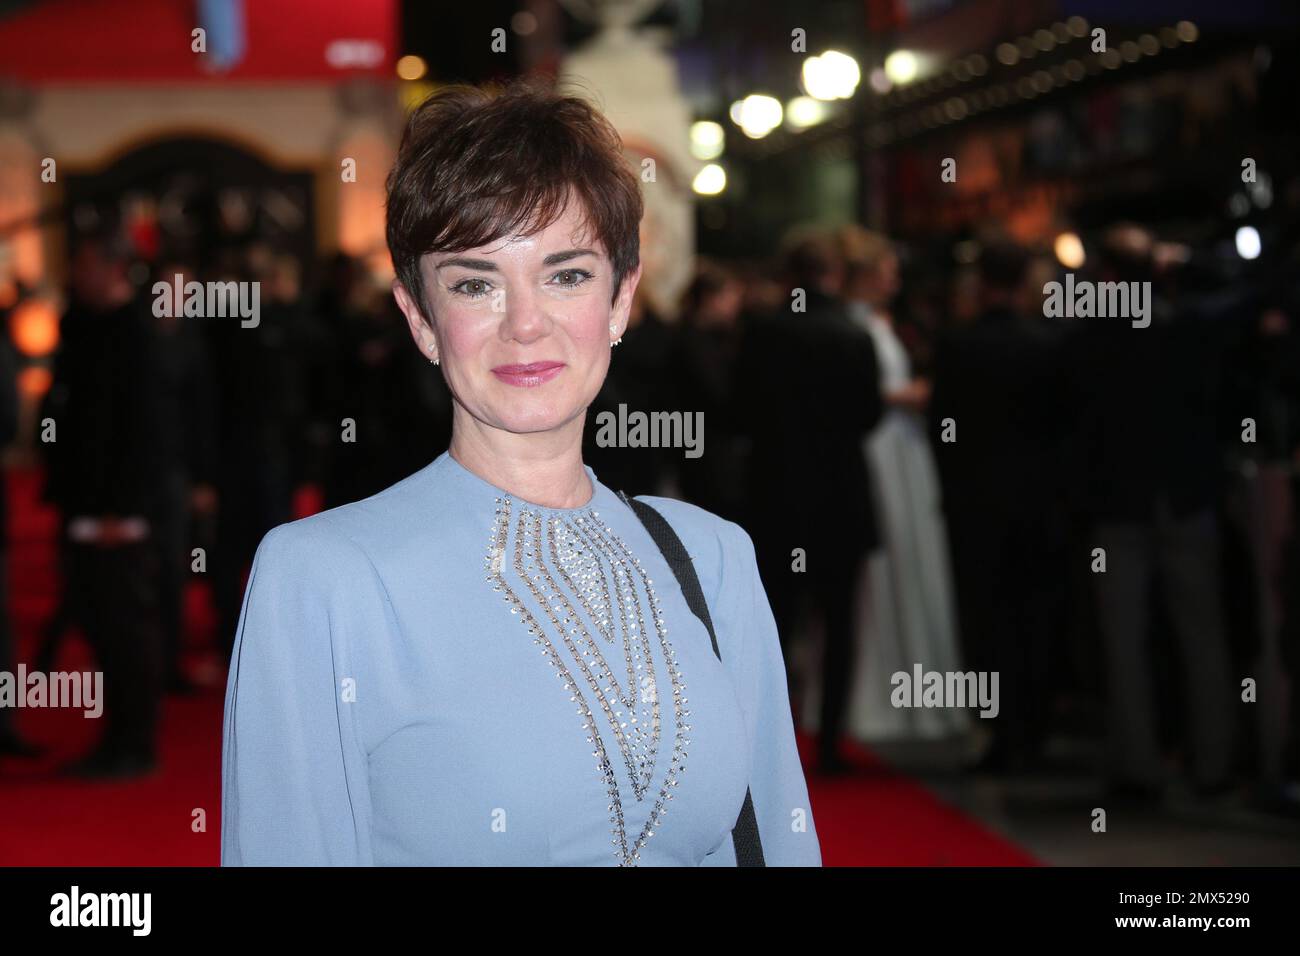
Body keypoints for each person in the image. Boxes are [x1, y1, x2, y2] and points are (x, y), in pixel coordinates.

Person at [221, 82, 820, 866]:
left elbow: (778, 842)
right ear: (420, 319)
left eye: (566, 274)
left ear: (620, 300)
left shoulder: (713, 560)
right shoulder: (321, 577)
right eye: (475, 283)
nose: (526, 322)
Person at [737, 226, 884, 774]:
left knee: (776, 622)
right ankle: (829, 745)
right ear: (833, 275)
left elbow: (739, 410)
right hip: (841, 497)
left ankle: (777, 740)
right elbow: (869, 415)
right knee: (840, 623)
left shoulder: (763, 333)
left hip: (778, 495)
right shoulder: (852, 333)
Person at [42, 232, 166, 779]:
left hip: (118, 512)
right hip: (83, 502)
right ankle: (116, 738)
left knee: (123, 627)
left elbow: (146, 432)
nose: (76, 273)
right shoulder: (82, 327)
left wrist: (126, 510)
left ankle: (134, 744)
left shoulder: (136, 336)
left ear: (115, 269)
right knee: (97, 622)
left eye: (86, 264)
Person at [835, 227, 966, 743]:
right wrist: (908, 395)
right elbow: (864, 393)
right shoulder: (855, 327)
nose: (895, 278)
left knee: (909, 558)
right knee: (888, 562)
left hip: (902, 453)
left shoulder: (876, 323)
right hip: (883, 452)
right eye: (886, 269)